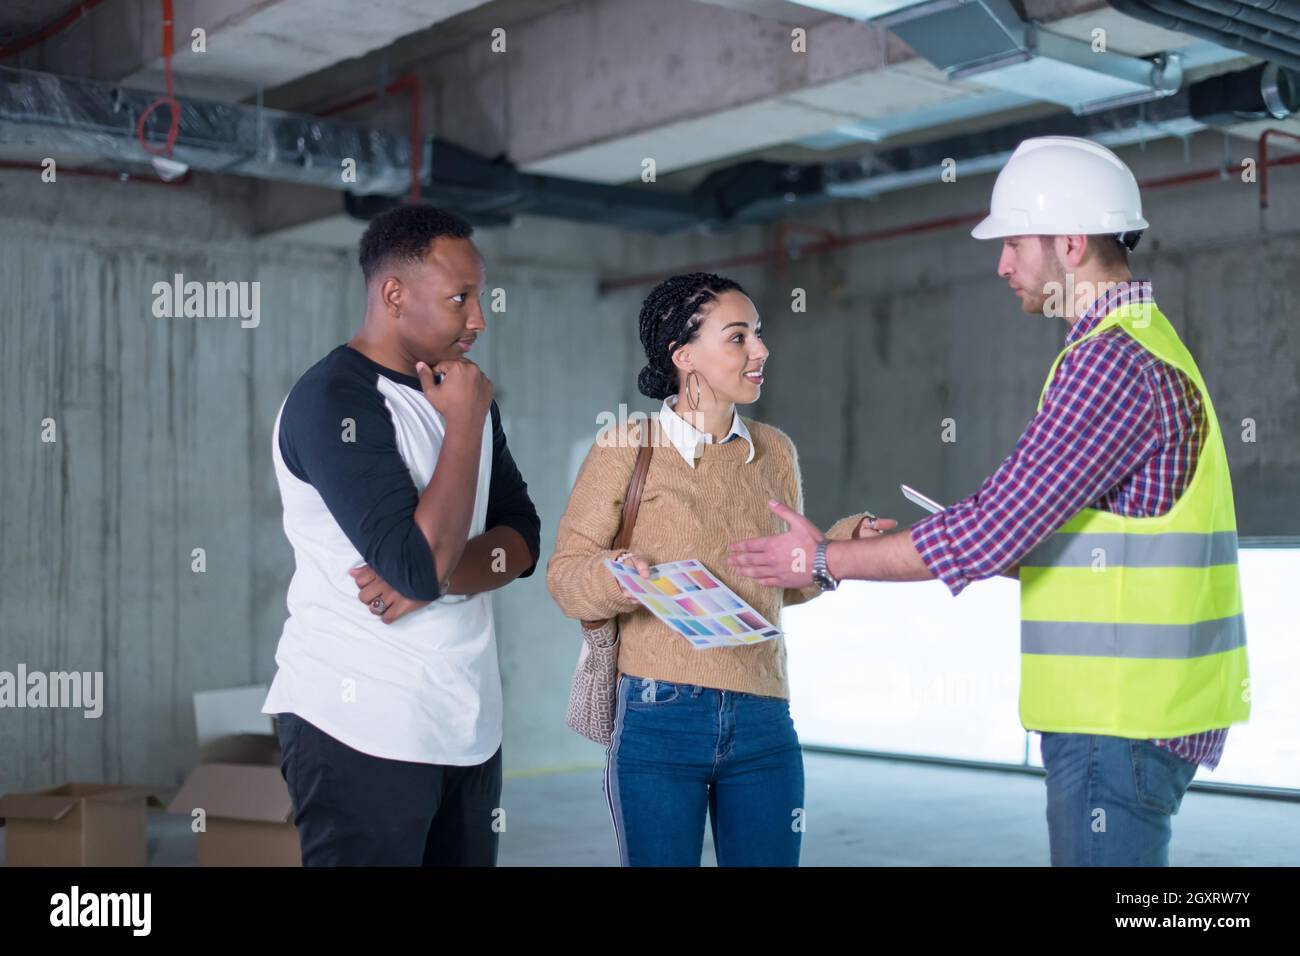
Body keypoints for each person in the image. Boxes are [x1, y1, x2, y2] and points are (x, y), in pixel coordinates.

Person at [727, 136, 1250, 867]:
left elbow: (989, 533)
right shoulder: (1136, 345)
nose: (1001, 264)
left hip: (1119, 718)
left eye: (1012, 244)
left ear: (1069, 243)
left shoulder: (1111, 363)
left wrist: (820, 558)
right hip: (1135, 714)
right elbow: (1085, 542)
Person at [546, 272, 890, 866]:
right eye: (738, 338)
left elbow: (780, 582)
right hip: (659, 716)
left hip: (763, 714)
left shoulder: (774, 451)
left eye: (757, 334)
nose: (760, 350)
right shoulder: (623, 448)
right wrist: (620, 576)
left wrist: (837, 550)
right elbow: (565, 576)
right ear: (684, 357)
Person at [263, 204, 541, 866]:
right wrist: (466, 426)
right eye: (461, 298)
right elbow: (415, 565)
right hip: (359, 723)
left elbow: (522, 537)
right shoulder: (335, 399)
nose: (478, 319)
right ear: (393, 294)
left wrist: (440, 575)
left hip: (469, 727)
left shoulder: (466, 393)